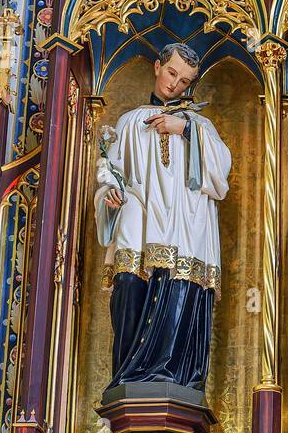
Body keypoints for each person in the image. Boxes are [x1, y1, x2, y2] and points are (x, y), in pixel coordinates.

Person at [94, 44, 231, 392]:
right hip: (139, 227)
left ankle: (175, 377)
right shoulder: (129, 122)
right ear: (157, 67)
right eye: (171, 73)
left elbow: (220, 178)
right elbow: (112, 174)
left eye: (185, 81)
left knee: (179, 293)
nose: (175, 85)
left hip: (186, 228)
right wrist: (110, 196)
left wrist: (185, 129)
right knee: (129, 289)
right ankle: (128, 376)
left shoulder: (200, 125)